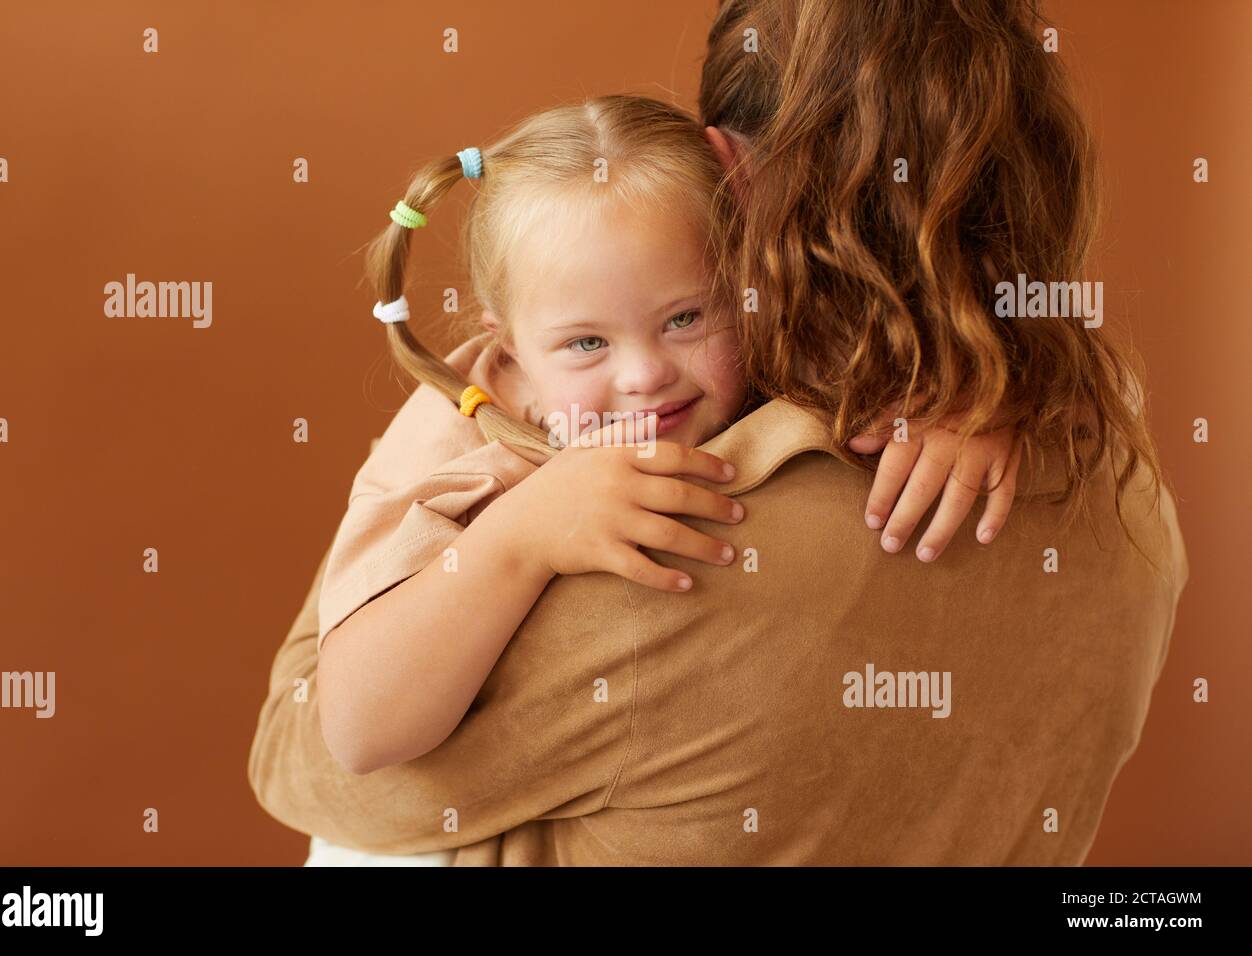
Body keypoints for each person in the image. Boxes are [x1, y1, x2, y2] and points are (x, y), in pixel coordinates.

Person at [249, 0, 1187, 865]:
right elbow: (353, 728)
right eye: (583, 341)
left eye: (690, 318)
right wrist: (519, 532)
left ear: (730, 180)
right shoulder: (1125, 489)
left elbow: (302, 761)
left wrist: (978, 393)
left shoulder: (714, 511)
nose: (645, 375)